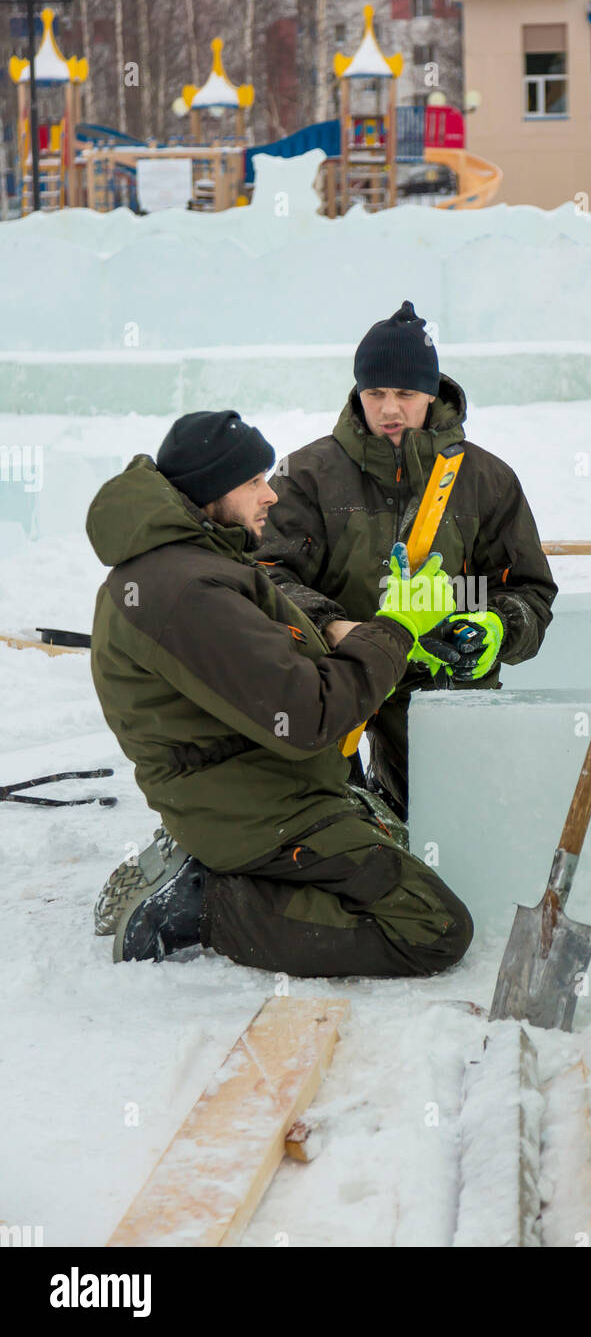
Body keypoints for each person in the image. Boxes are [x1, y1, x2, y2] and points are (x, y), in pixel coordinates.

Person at [85, 409, 473, 976]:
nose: (270, 496)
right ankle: (206, 905)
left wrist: (350, 633)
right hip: (255, 808)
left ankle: (207, 862)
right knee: (432, 927)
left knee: (398, 848)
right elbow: (306, 715)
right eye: (253, 482)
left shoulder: (193, 564)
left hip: (262, 786)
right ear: (210, 491)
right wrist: (396, 628)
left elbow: (276, 669)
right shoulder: (187, 592)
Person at [256, 299, 557, 819]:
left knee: (447, 824)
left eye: (405, 393)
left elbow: (529, 591)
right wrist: (332, 627)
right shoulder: (304, 474)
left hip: (440, 685)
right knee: (320, 825)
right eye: (375, 393)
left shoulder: (486, 480)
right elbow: (264, 577)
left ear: (432, 393)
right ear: (358, 393)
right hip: (332, 679)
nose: (389, 409)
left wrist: (491, 629)